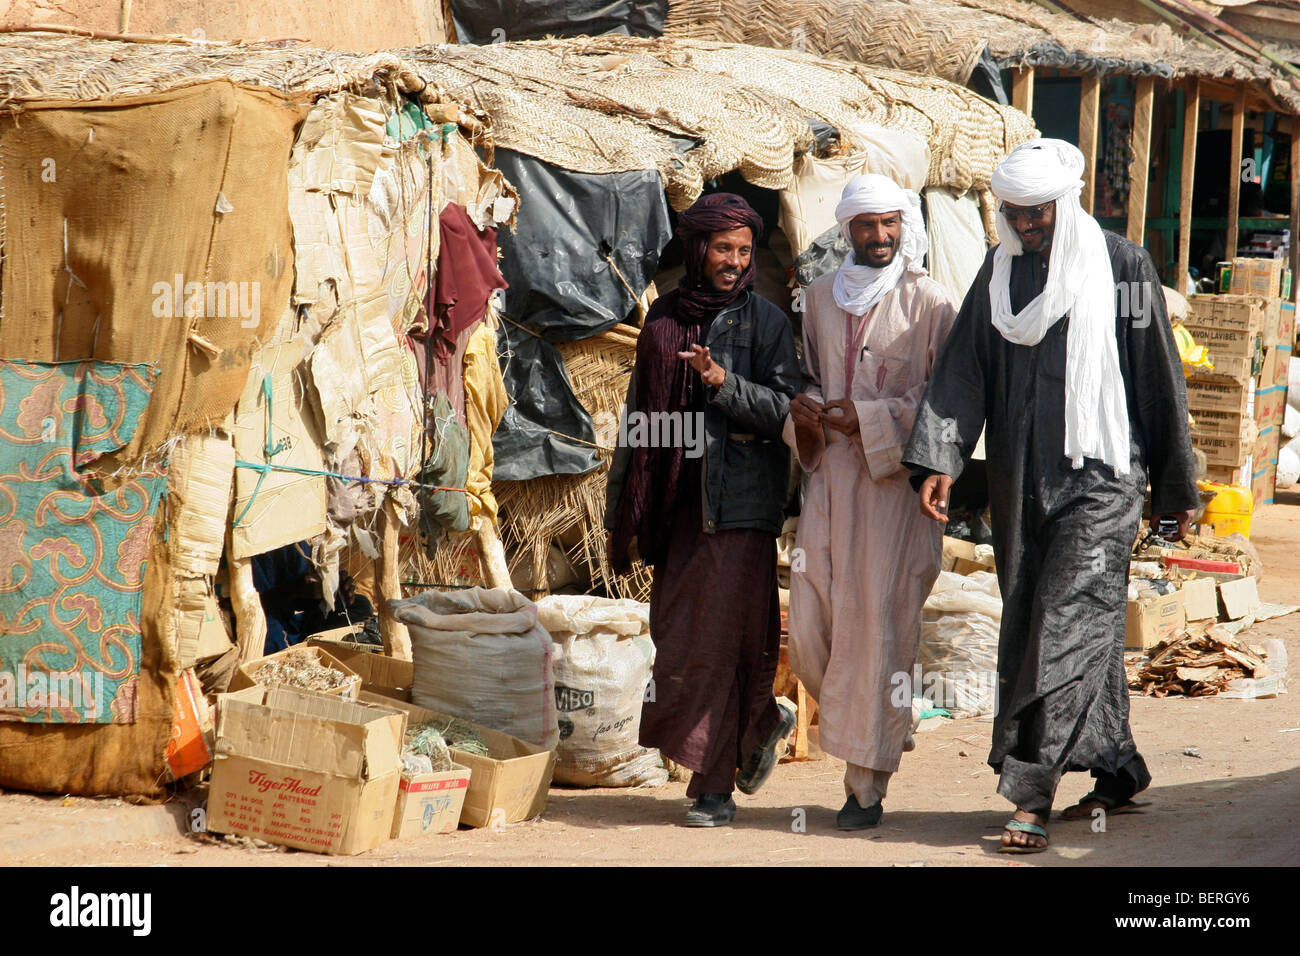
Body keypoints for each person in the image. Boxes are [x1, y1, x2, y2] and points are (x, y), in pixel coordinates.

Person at [901, 139, 1199, 852]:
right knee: (1044, 617)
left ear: (1062, 204)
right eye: (1012, 214)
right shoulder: (999, 272)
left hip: (1103, 479)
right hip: (1017, 478)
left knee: (1065, 623)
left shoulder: (1123, 267)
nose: (1025, 226)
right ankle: (1119, 764)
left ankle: (1031, 792)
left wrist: (1175, 486)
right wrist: (942, 456)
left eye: (1035, 214)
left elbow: (1159, 378)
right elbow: (964, 365)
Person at [605, 193, 802, 827]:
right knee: (680, 641)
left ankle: (713, 785)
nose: (734, 262)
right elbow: (638, 423)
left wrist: (723, 384)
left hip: (739, 508)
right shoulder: (663, 320)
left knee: (724, 644)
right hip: (677, 508)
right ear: (698, 249)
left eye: (744, 252)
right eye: (723, 249)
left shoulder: (767, 322)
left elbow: (786, 414)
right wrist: (622, 511)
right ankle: (761, 725)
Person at [784, 174, 957, 830]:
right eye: (866, 226)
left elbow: (948, 403)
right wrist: (804, 411)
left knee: (877, 635)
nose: (879, 237)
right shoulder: (821, 299)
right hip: (829, 484)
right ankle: (880, 728)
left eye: (889, 224)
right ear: (848, 230)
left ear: (903, 226)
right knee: (810, 627)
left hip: (894, 494)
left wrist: (873, 419)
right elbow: (803, 376)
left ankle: (867, 784)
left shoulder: (932, 302)